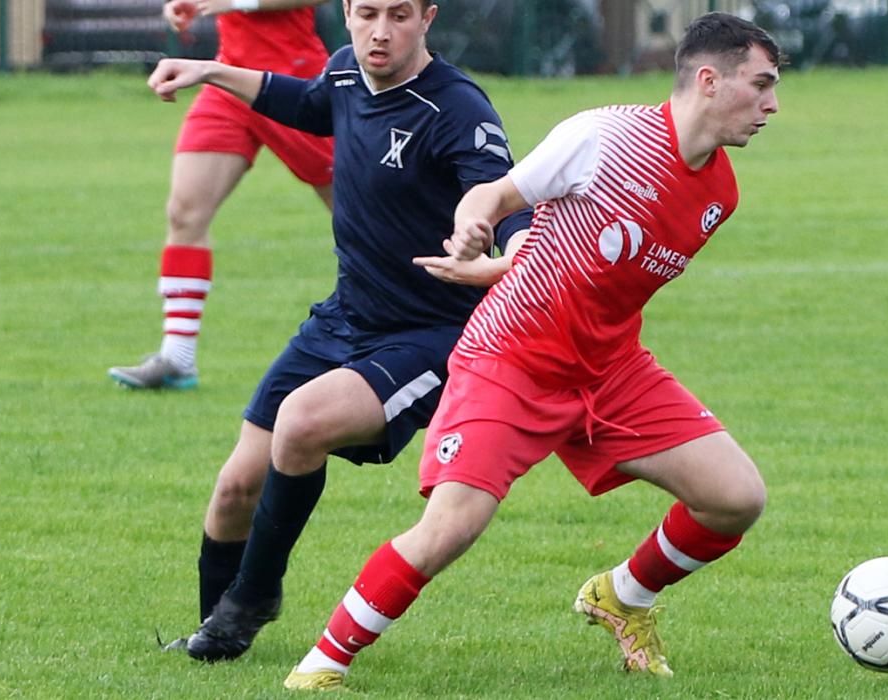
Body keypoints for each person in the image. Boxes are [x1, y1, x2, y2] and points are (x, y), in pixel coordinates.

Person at [280, 12, 781, 690]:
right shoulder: (606, 137)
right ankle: (320, 667)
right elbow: (495, 192)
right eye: (762, 86)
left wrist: (498, 270)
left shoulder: (720, 194)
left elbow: (591, 267)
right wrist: (472, 229)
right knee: (450, 528)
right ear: (709, 80)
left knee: (736, 497)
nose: (771, 106)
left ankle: (623, 598)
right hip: (511, 360)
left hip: (607, 370)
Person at [143, 0, 532, 662]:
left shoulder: (457, 107)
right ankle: (216, 633)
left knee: (301, 424)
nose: (382, 31)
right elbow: (303, 102)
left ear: (428, 18)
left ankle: (253, 601)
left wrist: (502, 260)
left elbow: (510, 201)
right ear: (347, 13)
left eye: (400, 15)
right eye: (369, 13)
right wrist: (212, 70)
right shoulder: (348, 72)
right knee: (237, 486)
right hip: (346, 316)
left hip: (433, 333)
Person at [108, 0, 336, 390]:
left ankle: (438, 324)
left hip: (294, 80)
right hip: (228, 80)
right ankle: (177, 358)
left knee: (364, 216)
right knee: (184, 213)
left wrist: (237, 2)